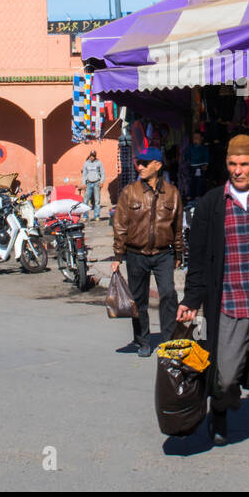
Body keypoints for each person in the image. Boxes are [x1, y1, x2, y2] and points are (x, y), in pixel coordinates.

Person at [178, 134, 249, 474]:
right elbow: (198, 259)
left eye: (244, 165)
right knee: (225, 378)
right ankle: (220, 411)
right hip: (227, 305)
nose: (237, 171)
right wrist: (192, 299)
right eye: (232, 164)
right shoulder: (211, 205)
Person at [110, 147, 183, 357]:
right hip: (136, 254)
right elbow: (120, 226)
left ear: (157, 166)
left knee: (168, 294)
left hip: (163, 254)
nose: (139, 167)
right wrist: (117, 256)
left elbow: (177, 227)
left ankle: (169, 339)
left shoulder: (172, 193)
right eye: (138, 162)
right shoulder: (129, 192)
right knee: (138, 299)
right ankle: (142, 340)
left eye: (144, 163)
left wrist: (179, 254)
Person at [184, 132, 210, 201]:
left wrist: (206, 164)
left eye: (197, 138)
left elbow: (206, 157)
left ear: (201, 138)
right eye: (194, 138)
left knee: (200, 182)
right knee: (191, 181)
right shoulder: (191, 148)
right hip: (192, 167)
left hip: (200, 167)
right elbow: (187, 156)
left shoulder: (204, 148)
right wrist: (186, 161)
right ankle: (190, 195)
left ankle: (199, 195)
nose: (195, 140)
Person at [80, 150, 104, 221]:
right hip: (88, 184)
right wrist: (84, 183)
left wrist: (101, 182)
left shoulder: (99, 163)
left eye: (93, 156)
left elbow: (103, 173)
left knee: (97, 201)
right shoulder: (86, 163)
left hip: (97, 183)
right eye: (91, 156)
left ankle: (96, 216)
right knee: (85, 200)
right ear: (89, 155)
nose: (91, 157)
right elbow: (84, 175)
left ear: (95, 156)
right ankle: (85, 216)